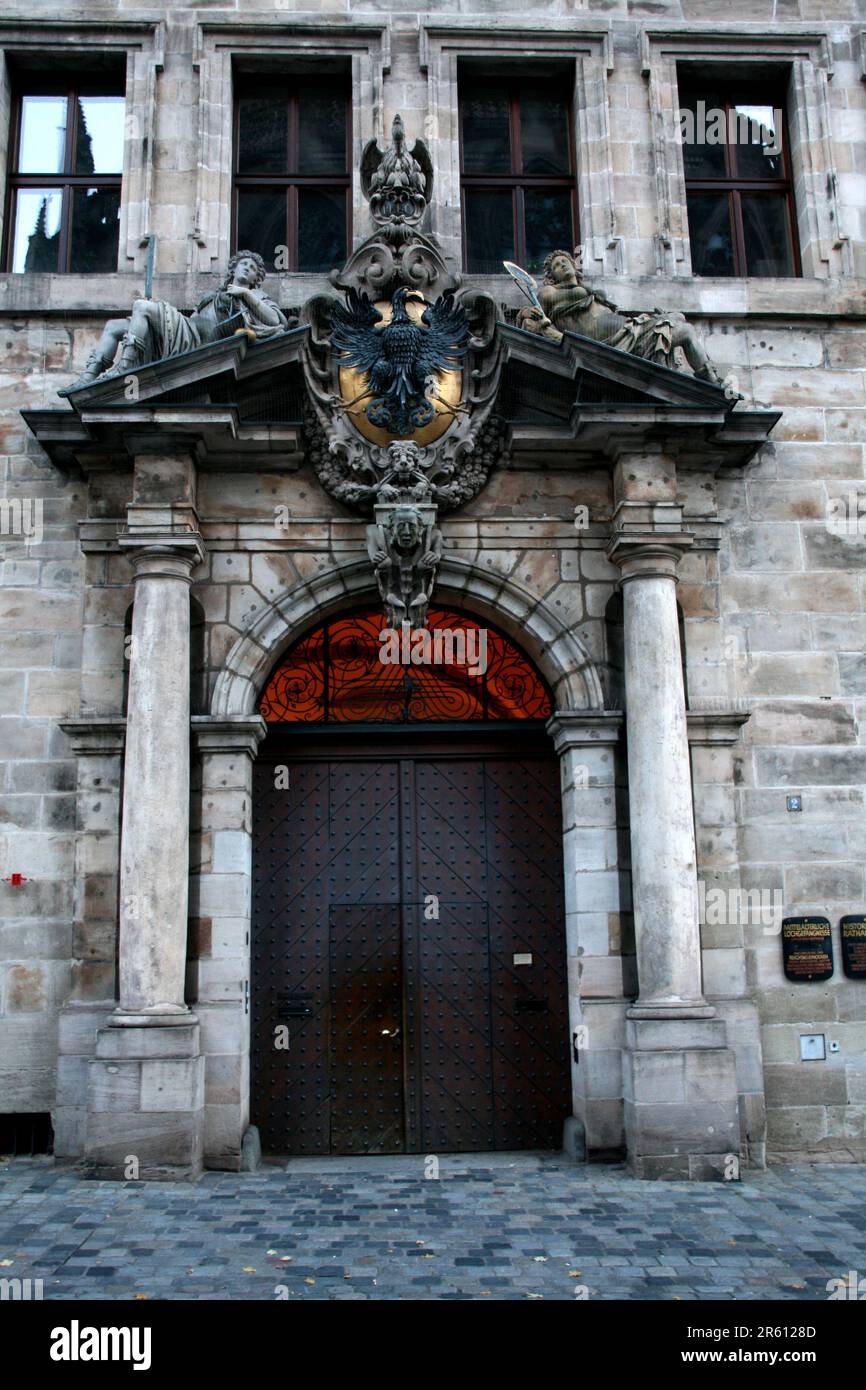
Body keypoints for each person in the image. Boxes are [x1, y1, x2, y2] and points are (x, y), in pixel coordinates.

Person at [59, 250, 289, 395]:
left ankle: (124, 368)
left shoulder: (254, 296)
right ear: (234, 268)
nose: (246, 269)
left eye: (252, 269)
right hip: (186, 331)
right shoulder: (218, 292)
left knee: (142, 307)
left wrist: (245, 295)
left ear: (256, 279)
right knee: (113, 326)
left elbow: (277, 320)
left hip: (196, 344)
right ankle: (87, 379)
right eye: (244, 264)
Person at [518, 248, 722, 383]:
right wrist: (530, 315)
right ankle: (712, 385)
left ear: (574, 264)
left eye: (565, 261)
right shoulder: (549, 292)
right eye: (556, 266)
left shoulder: (587, 290)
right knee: (684, 331)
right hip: (611, 341)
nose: (562, 265)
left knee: (679, 320)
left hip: (626, 331)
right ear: (551, 276)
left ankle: (711, 382)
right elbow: (532, 317)